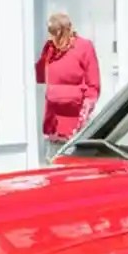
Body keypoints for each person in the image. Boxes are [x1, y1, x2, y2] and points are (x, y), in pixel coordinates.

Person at [34, 12, 100, 162]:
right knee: (53, 165)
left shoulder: (84, 47)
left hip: (75, 121)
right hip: (54, 123)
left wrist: (86, 110)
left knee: (75, 166)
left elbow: (93, 85)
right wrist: (45, 56)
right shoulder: (51, 49)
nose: (53, 38)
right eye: (51, 34)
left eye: (56, 33)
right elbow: (40, 77)